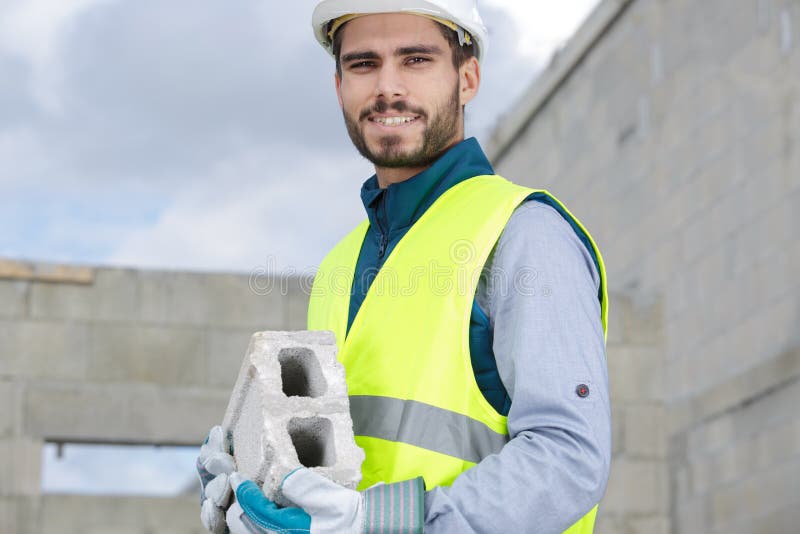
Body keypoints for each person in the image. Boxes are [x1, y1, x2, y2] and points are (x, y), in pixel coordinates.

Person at [197, 1, 611, 532]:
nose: (387, 87)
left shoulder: (523, 234)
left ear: (468, 77)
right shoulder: (339, 265)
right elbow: (337, 482)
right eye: (363, 64)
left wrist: (383, 522)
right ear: (338, 84)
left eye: (415, 60)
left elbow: (569, 457)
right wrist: (257, 484)